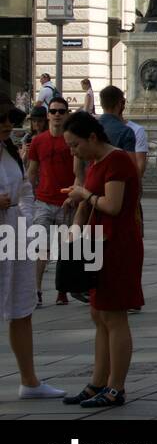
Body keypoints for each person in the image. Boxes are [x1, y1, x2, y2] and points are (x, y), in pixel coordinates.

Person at [62, 110, 145, 407]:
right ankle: (98, 382)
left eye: (75, 145)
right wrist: (77, 201)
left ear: (92, 137)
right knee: (98, 314)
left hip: (118, 245)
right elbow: (90, 200)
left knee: (114, 315)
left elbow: (112, 205)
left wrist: (85, 194)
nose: (74, 151)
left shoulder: (118, 160)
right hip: (97, 244)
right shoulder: (96, 162)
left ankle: (116, 387)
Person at [0, 107, 66, 399]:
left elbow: (26, 188)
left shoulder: (10, 151)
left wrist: (24, 219)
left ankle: (30, 381)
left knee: (22, 306)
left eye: (10, 120)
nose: (8, 125)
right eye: (2, 120)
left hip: (15, 233)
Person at [25, 96, 74, 306]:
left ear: (67, 114)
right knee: (40, 249)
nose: (57, 115)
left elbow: (80, 170)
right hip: (43, 201)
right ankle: (36, 291)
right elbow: (32, 171)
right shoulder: (38, 141)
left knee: (65, 249)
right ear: (47, 115)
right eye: (53, 111)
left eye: (61, 111)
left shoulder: (73, 139)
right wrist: (27, 197)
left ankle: (62, 290)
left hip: (66, 202)